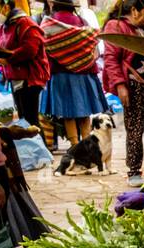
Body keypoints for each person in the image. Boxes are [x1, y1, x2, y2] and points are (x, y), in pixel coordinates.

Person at [102, 0, 144, 186]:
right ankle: (134, 171)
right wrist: (120, 85)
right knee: (135, 129)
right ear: (134, 10)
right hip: (134, 87)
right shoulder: (116, 26)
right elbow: (111, 59)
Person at [39, 0, 108, 151]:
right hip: (84, 72)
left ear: (54, 5)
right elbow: (92, 42)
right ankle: (88, 144)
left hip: (60, 74)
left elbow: (44, 46)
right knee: (84, 113)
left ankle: (75, 146)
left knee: (68, 113)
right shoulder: (81, 21)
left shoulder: (48, 24)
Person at [0, 0, 50, 133]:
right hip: (15, 78)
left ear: (6, 6)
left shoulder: (25, 23)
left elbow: (30, 49)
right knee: (23, 120)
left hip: (30, 78)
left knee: (31, 120)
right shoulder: (4, 26)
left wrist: (9, 58)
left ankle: (41, 153)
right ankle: (32, 153)